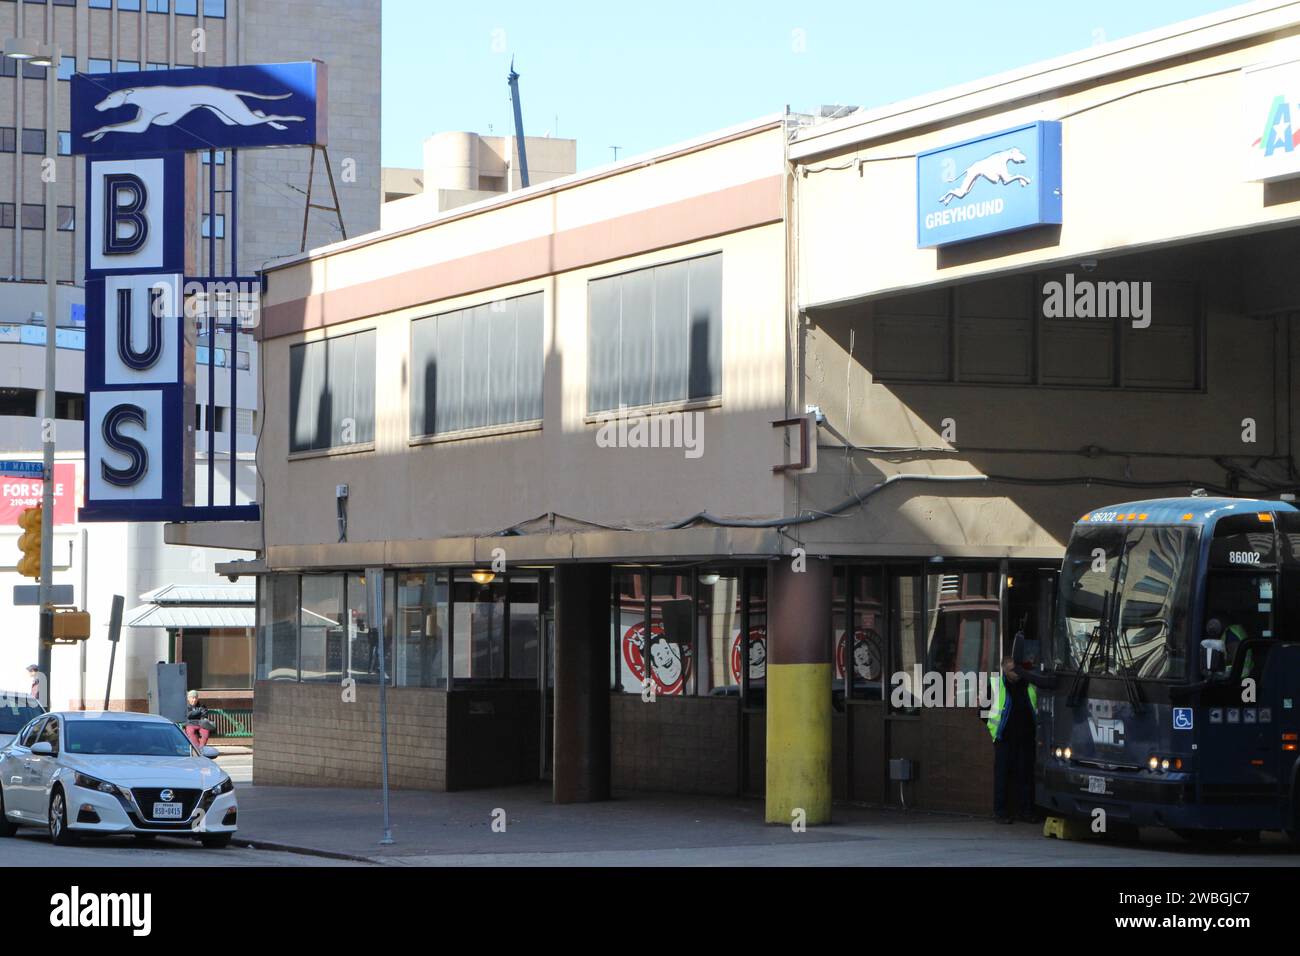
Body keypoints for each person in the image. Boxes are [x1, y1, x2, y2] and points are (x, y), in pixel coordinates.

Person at [987, 655, 1053, 824]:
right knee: (1002, 777)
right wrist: (994, 731)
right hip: (1004, 739)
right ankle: (1000, 812)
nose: (1015, 674)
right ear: (1003, 669)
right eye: (1011, 670)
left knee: (1026, 777)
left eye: (1017, 670)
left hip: (1026, 738)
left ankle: (1026, 812)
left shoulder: (1029, 684)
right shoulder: (995, 685)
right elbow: (982, 710)